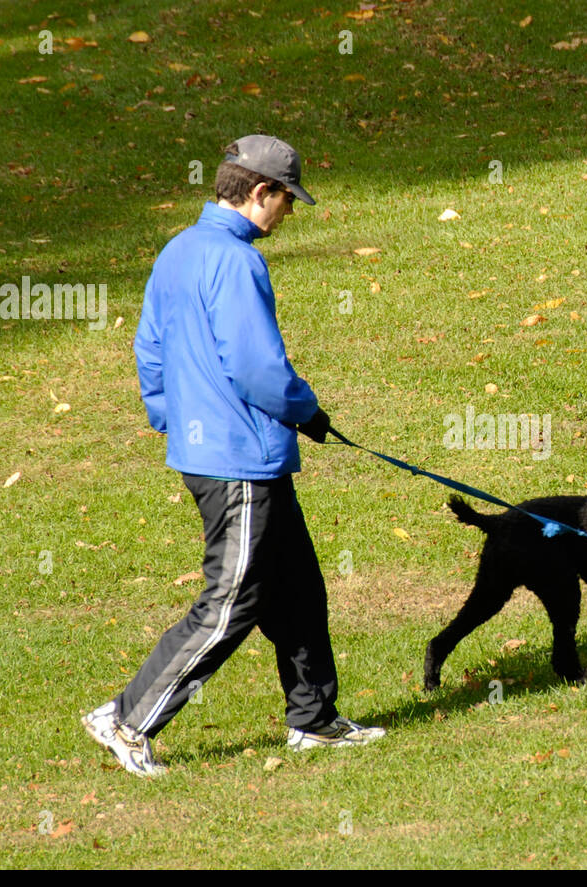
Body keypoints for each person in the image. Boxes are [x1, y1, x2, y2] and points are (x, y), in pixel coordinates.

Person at [82, 135, 384, 776]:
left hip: (216, 450)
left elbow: (150, 348)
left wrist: (172, 420)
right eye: (287, 200)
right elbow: (257, 369)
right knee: (233, 599)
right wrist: (306, 409)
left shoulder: (178, 250)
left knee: (297, 589)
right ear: (260, 193)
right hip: (238, 460)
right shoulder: (237, 262)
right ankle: (127, 719)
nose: (289, 214)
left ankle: (315, 720)